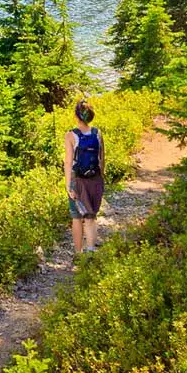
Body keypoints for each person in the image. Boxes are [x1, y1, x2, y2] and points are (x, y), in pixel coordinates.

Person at [64, 99, 105, 258]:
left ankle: (78, 253)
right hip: (94, 178)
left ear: (77, 116)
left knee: (76, 217)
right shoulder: (97, 133)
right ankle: (91, 252)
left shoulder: (71, 135)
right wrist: (100, 180)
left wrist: (68, 185)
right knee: (91, 216)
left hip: (77, 179)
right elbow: (102, 159)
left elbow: (68, 162)